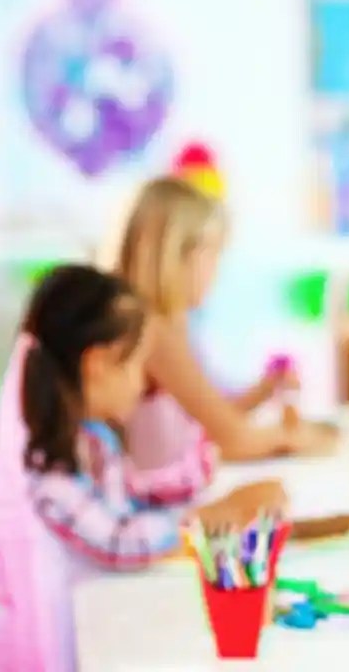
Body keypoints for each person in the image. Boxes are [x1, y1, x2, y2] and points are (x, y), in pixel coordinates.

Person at [0, 265, 285, 672]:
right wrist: (209, 517)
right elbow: (122, 540)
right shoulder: (45, 468)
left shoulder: (91, 440)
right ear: (98, 364)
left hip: (107, 626)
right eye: (136, 366)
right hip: (77, 651)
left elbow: (127, 497)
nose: (142, 384)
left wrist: (195, 474)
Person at [102, 177, 315, 480]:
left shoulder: (163, 324)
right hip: (157, 502)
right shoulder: (153, 332)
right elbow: (234, 439)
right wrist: (305, 438)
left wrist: (264, 390)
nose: (216, 270)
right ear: (177, 256)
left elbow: (207, 417)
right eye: (213, 254)